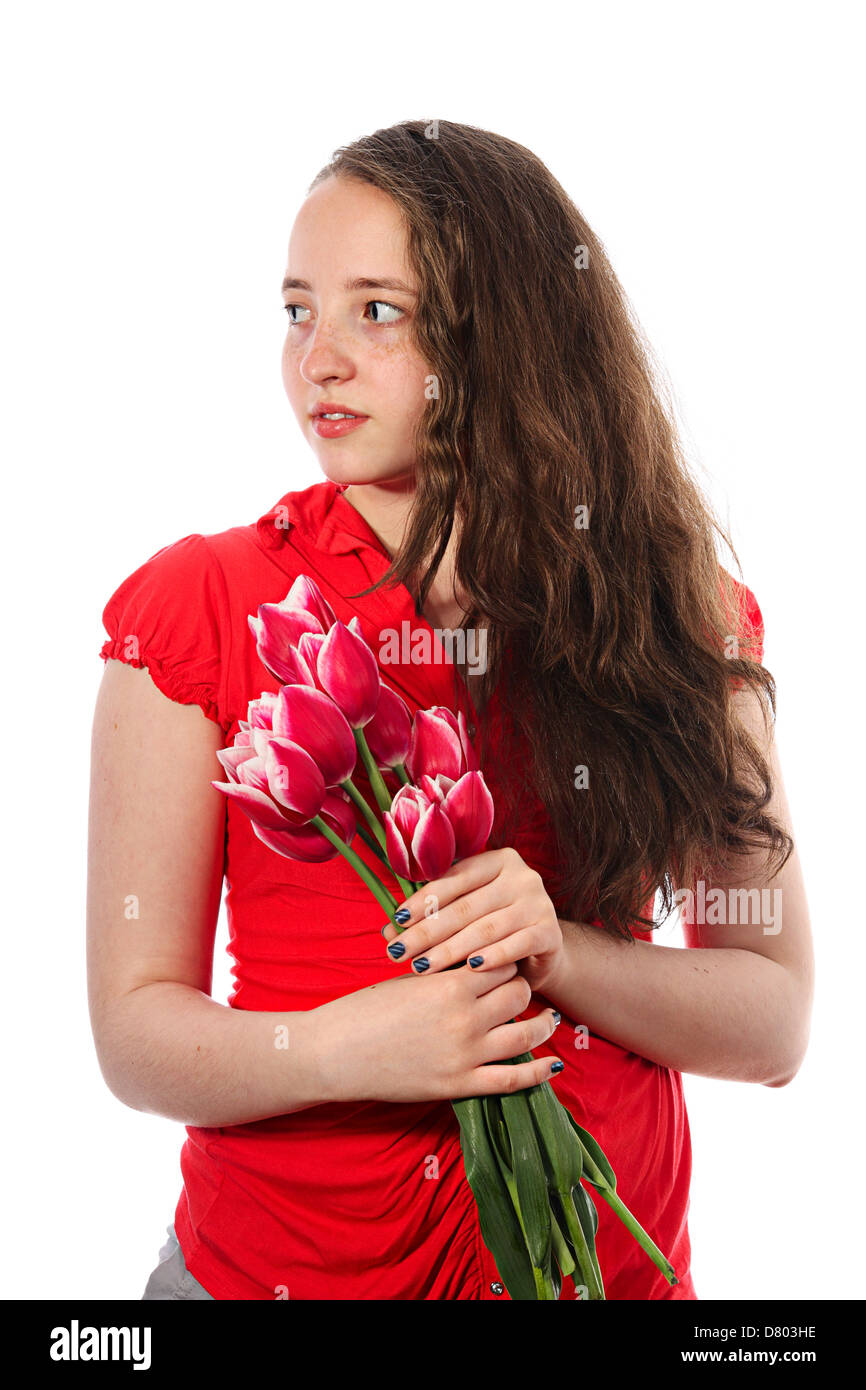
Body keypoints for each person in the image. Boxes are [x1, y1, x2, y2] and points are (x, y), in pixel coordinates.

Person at [87, 119, 814, 1301]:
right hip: (275, 1277)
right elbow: (134, 1031)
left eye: (375, 309)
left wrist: (560, 955)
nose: (316, 356)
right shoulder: (203, 605)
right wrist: (341, 1046)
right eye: (295, 309)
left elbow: (771, 1021)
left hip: (600, 1280)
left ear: (505, 335)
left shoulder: (681, 613)